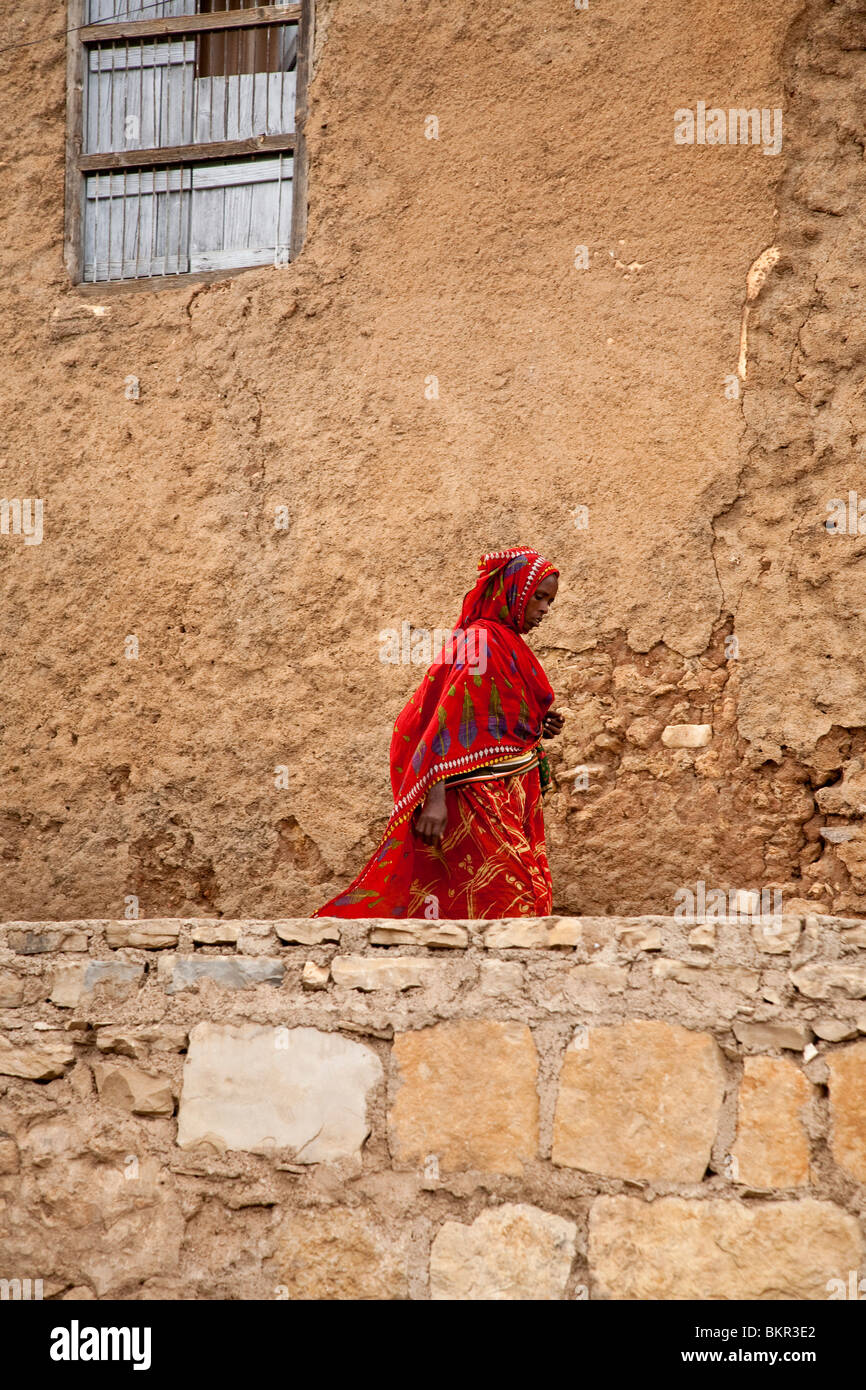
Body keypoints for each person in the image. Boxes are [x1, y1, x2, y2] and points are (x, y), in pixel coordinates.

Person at [314, 547, 565, 919]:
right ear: (512, 592)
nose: (544, 609)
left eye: (549, 601)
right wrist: (434, 798)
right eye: (538, 598)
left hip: (507, 794)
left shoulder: (509, 644)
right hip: (474, 795)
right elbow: (442, 722)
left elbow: (488, 719)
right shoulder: (480, 641)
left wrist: (537, 725)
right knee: (516, 898)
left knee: (503, 900)